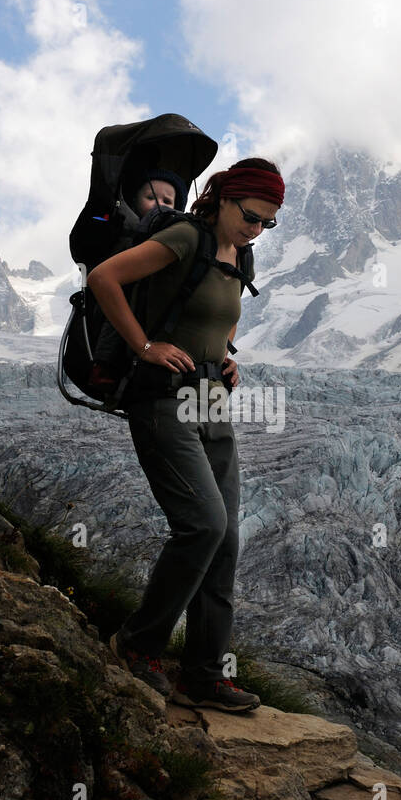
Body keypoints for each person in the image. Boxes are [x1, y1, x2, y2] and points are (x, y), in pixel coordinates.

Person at [86, 158, 284, 712]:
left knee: (226, 540)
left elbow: (221, 316)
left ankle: (203, 674)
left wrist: (225, 356)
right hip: (162, 399)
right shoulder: (184, 237)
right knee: (203, 525)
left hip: (211, 401)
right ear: (224, 199)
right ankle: (137, 644)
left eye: (267, 222)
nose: (256, 229)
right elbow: (104, 279)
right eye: (250, 216)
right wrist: (145, 346)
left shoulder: (240, 254)